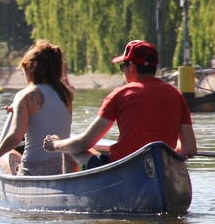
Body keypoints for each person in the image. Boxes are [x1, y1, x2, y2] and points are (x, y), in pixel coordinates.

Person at [43, 40, 197, 168]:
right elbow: (189, 149)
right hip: (161, 169)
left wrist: (56, 144)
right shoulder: (176, 95)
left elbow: (84, 143)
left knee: (71, 150)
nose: (123, 70)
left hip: (122, 170)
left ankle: (69, 200)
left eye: (122, 66)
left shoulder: (120, 94)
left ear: (131, 67)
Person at [0, 40, 76, 176]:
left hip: (33, 170)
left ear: (31, 67)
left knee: (7, 155)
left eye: (24, 70)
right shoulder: (66, 94)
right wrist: (19, 111)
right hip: (63, 168)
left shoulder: (25, 95)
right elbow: (47, 115)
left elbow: (16, 137)